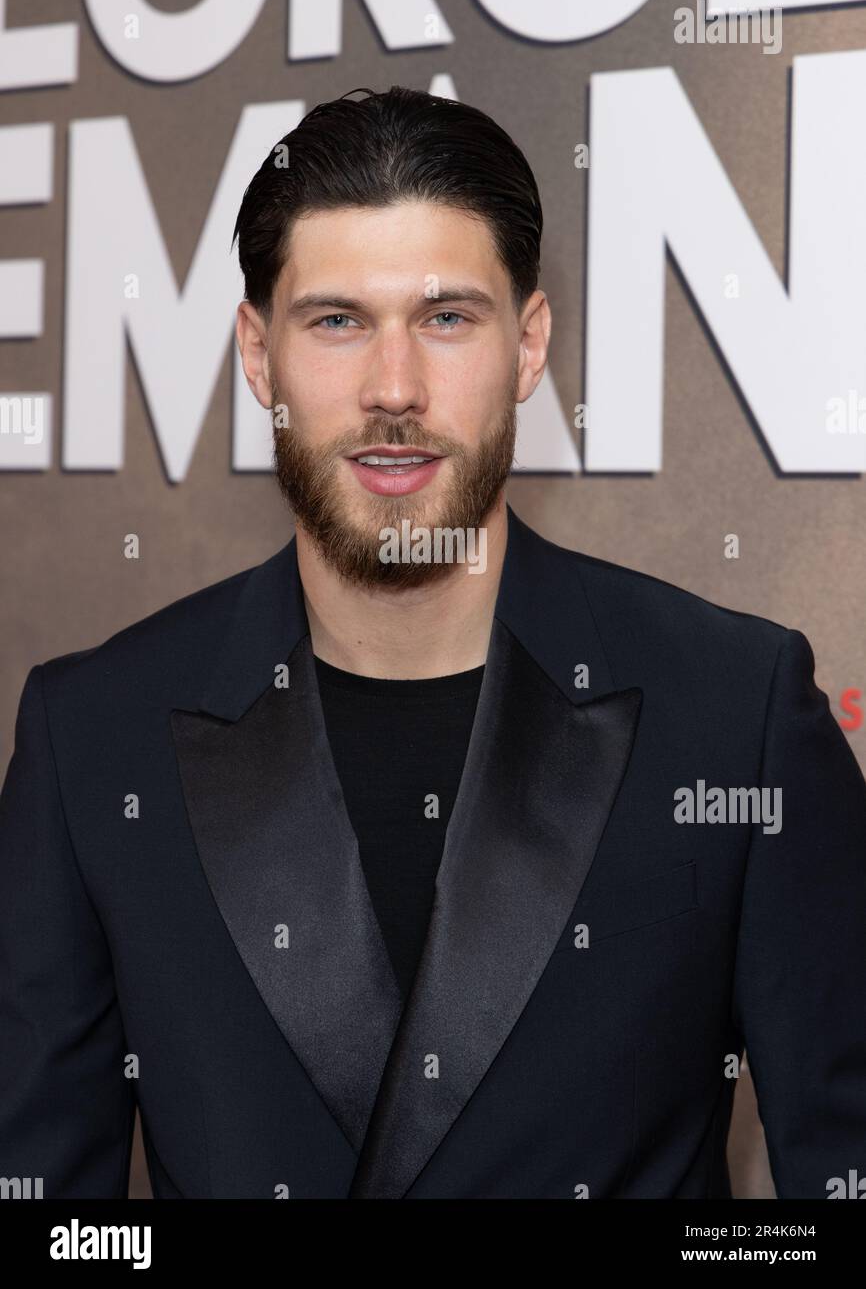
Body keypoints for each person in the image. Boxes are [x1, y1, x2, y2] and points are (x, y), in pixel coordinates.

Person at [1, 86, 865, 1200]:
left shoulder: (735, 711)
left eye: (446, 316)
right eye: (336, 320)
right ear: (259, 356)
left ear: (529, 344)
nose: (393, 389)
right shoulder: (91, 737)